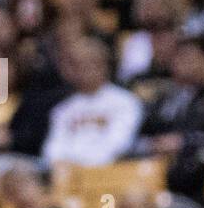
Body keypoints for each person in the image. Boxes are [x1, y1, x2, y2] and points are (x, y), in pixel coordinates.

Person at [41, 37, 143, 167]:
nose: (84, 71)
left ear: (104, 65)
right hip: (68, 173)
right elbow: (52, 149)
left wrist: (82, 164)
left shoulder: (126, 102)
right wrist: (64, 164)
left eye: (91, 63)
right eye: (78, 65)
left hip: (108, 173)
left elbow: (120, 144)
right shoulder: (64, 108)